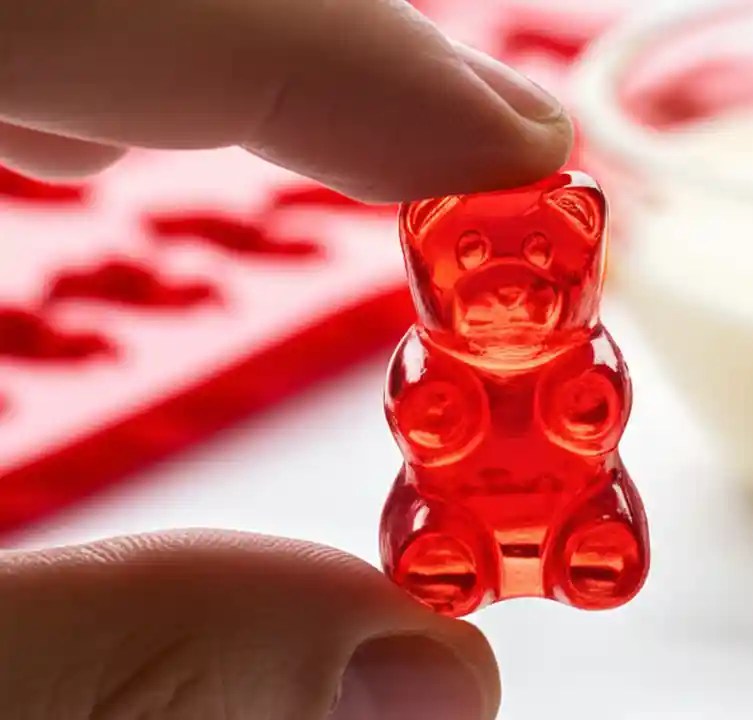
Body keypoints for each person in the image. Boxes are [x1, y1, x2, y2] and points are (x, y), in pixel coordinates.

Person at [0, 1, 574, 718]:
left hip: (567, 497)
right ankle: (453, 555)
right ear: (433, 255)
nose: (508, 290)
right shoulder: (438, 353)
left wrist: (576, 411)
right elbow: (421, 415)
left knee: (588, 513)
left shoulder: (582, 352)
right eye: (476, 259)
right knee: (442, 523)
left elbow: (594, 417)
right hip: (463, 497)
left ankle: (582, 549)